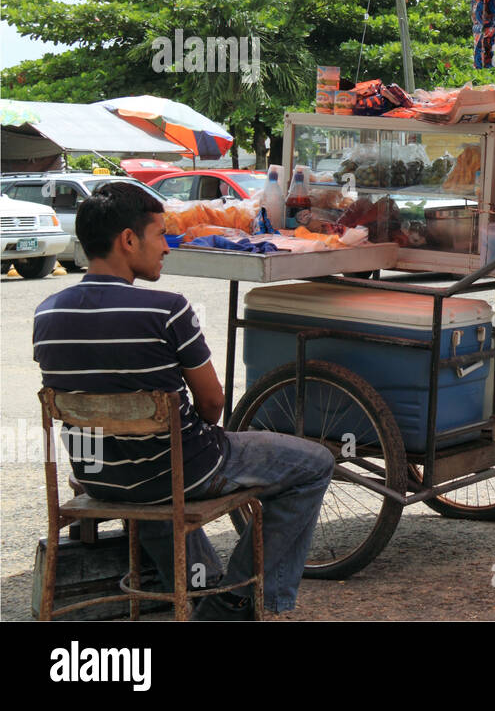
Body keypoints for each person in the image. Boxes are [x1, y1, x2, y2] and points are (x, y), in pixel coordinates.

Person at [33, 182, 334, 619]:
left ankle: (200, 583)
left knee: (153, 473)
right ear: (128, 240)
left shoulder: (47, 312)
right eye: (159, 235)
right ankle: (236, 600)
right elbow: (213, 403)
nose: (167, 248)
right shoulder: (167, 309)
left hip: (99, 476)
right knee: (314, 463)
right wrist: (209, 438)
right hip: (174, 471)